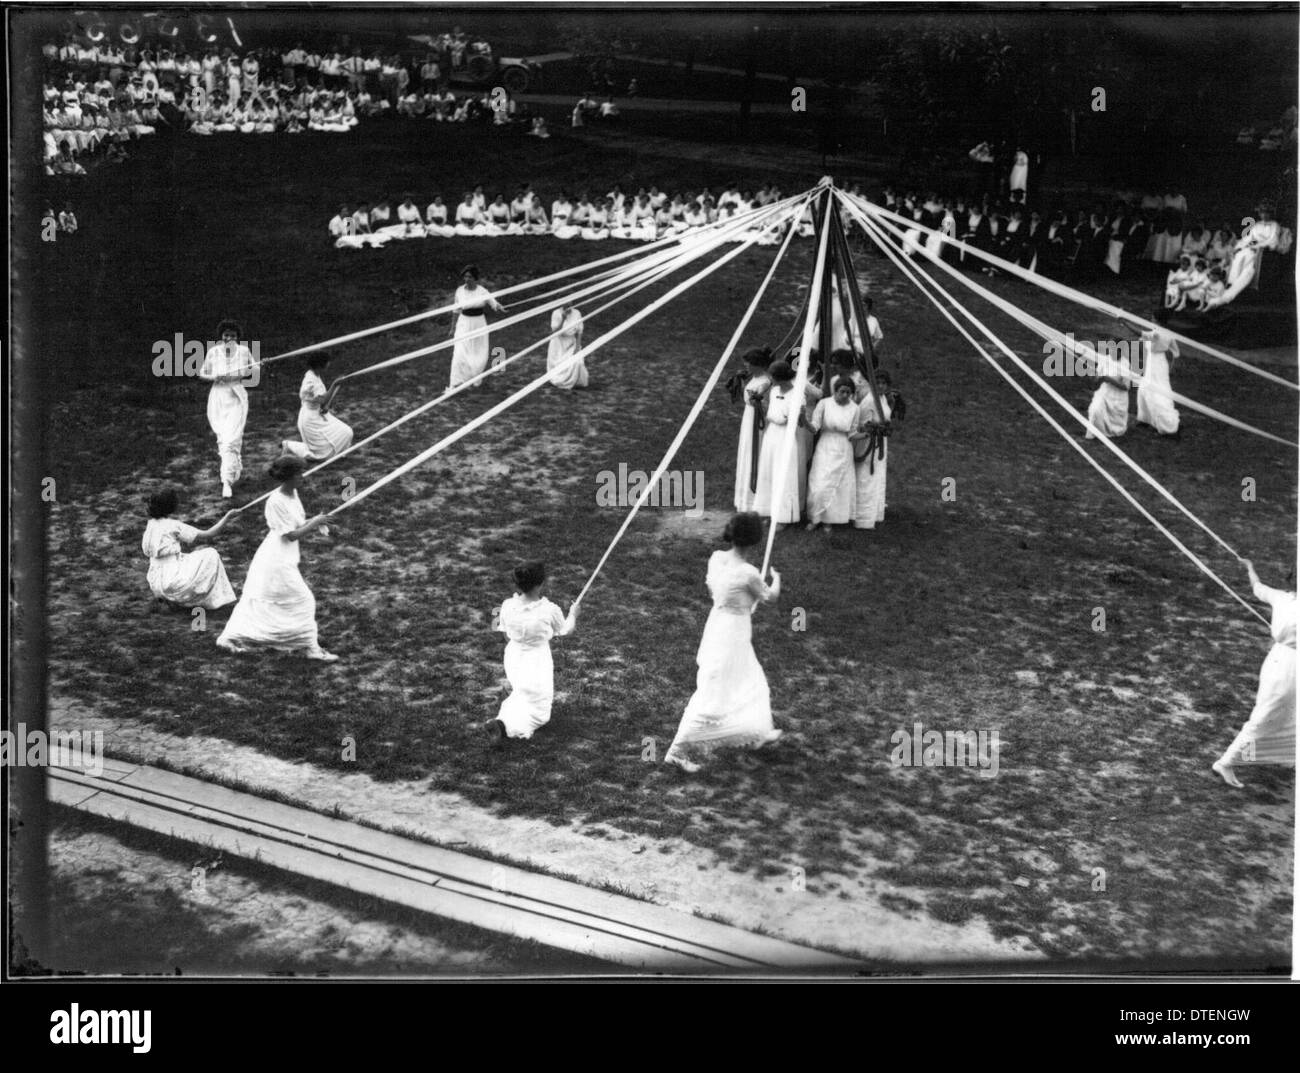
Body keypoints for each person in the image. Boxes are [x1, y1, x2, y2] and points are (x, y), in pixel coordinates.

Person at [663, 512, 784, 773]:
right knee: (714, 692)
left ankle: (758, 732)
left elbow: (714, 589)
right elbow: (770, 597)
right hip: (733, 633)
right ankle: (676, 751)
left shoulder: (717, 559)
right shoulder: (749, 573)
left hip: (718, 624)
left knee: (752, 679)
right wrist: (777, 578)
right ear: (754, 541)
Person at [217, 455, 338, 661]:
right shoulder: (274, 501)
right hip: (276, 561)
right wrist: (315, 521)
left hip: (285, 558)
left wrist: (317, 523)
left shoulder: (293, 493)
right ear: (289, 477)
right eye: (299, 473)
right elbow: (291, 535)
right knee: (304, 600)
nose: (303, 477)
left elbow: (298, 524)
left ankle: (230, 637)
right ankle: (311, 648)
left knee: (272, 603)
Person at [1213, 560, 1296, 787]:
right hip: (1287, 669)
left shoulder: (1281, 596)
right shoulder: (1282, 597)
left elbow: (1257, 587)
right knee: (1265, 715)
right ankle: (1226, 762)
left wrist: (1250, 568)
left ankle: (1287, 757)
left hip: (1277, 660)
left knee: (1287, 714)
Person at [486, 561, 580, 746]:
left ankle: (500, 722)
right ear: (540, 584)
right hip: (537, 659)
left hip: (513, 655)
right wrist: (574, 614)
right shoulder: (549, 610)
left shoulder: (506, 605)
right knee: (539, 708)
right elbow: (565, 630)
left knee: (522, 692)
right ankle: (507, 728)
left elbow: (504, 632)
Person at [142, 489, 238, 610]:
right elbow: (208, 534)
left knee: (187, 558)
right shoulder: (173, 525)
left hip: (155, 581)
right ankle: (215, 601)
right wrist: (227, 517)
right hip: (172, 580)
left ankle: (166, 598)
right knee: (211, 554)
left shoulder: (150, 524)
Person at [199, 320, 258, 498]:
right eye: (226, 335)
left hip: (236, 398)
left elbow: (254, 369)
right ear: (221, 336)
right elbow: (202, 373)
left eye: (233, 335)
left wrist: (258, 366)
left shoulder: (244, 351)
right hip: (218, 398)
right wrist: (214, 376)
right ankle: (234, 465)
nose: (229, 338)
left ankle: (226, 482)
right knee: (224, 439)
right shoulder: (213, 352)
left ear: (237, 337)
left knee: (232, 439)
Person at [751, 360, 807, 525]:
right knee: (769, 472)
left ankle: (783, 518)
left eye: (772, 376)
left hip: (786, 436)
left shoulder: (798, 394)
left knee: (783, 474)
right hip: (772, 435)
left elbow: (796, 421)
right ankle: (769, 512)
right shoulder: (774, 390)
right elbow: (770, 412)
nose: (770, 379)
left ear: (780, 377)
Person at [805, 376, 861, 531]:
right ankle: (815, 518)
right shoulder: (824, 404)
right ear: (835, 391)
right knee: (819, 483)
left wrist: (868, 434)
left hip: (843, 448)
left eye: (848, 393)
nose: (845, 396)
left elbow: (853, 433)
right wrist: (804, 421)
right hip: (825, 446)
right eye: (842, 392)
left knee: (838, 485)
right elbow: (815, 426)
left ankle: (829, 520)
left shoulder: (855, 408)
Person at [281, 352, 354, 462]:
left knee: (346, 432)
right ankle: (289, 446)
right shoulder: (311, 381)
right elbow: (323, 399)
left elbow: (322, 403)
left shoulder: (313, 374)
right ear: (321, 365)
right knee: (320, 454)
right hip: (310, 420)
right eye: (327, 362)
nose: (329, 364)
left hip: (317, 413)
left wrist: (326, 405)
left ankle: (336, 454)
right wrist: (334, 384)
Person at [449, 265, 504, 388]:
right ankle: (457, 381)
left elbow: (493, 303)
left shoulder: (482, 291)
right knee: (460, 351)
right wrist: (452, 328)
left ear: (475, 278)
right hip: (464, 323)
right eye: (465, 276)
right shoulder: (460, 290)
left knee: (478, 352)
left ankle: (474, 377)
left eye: (470, 277)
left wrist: (499, 306)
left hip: (479, 323)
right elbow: (456, 310)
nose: (467, 279)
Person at [733, 347, 773, 512]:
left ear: (757, 364)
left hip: (757, 421)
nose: (746, 366)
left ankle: (755, 500)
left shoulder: (765, 381)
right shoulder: (754, 378)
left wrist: (757, 401)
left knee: (754, 453)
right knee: (746, 453)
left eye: (749, 364)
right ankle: (744, 499)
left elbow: (765, 404)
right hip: (748, 419)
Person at [852, 376, 892, 529]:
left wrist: (886, 426)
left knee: (877, 477)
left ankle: (874, 512)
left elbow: (886, 416)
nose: (881, 386)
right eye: (878, 383)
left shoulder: (883, 398)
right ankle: (862, 518)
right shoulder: (869, 400)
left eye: (884, 383)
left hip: (880, 441)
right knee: (866, 476)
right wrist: (876, 428)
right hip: (869, 442)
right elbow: (861, 425)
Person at [1133, 327, 1180, 438]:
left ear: (1156, 320)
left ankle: (1167, 425)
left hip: (1155, 365)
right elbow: (1176, 353)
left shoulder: (1156, 334)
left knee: (1156, 392)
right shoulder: (1169, 333)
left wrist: (1124, 322)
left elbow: (1140, 333)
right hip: (1157, 363)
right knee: (1144, 389)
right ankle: (1145, 419)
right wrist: (1171, 368)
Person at [1084, 338, 1132, 440]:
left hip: (1118, 396)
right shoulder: (1104, 359)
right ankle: (1095, 431)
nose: (1112, 352)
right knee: (1095, 410)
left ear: (1121, 351)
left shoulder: (1125, 364)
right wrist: (1093, 376)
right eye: (1111, 349)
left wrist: (1108, 379)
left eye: (1115, 350)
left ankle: (1110, 430)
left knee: (1114, 425)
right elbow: (1096, 381)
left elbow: (1126, 387)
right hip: (1103, 393)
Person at [546, 304, 587, 389]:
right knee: (558, 365)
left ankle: (574, 380)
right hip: (558, 343)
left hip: (571, 342)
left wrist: (577, 347)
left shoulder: (577, 313)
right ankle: (560, 380)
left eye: (570, 302)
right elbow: (555, 332)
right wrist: (563, 319)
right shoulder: (556, 313)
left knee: (577, 361)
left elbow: (579, 331)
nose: (568, 305)